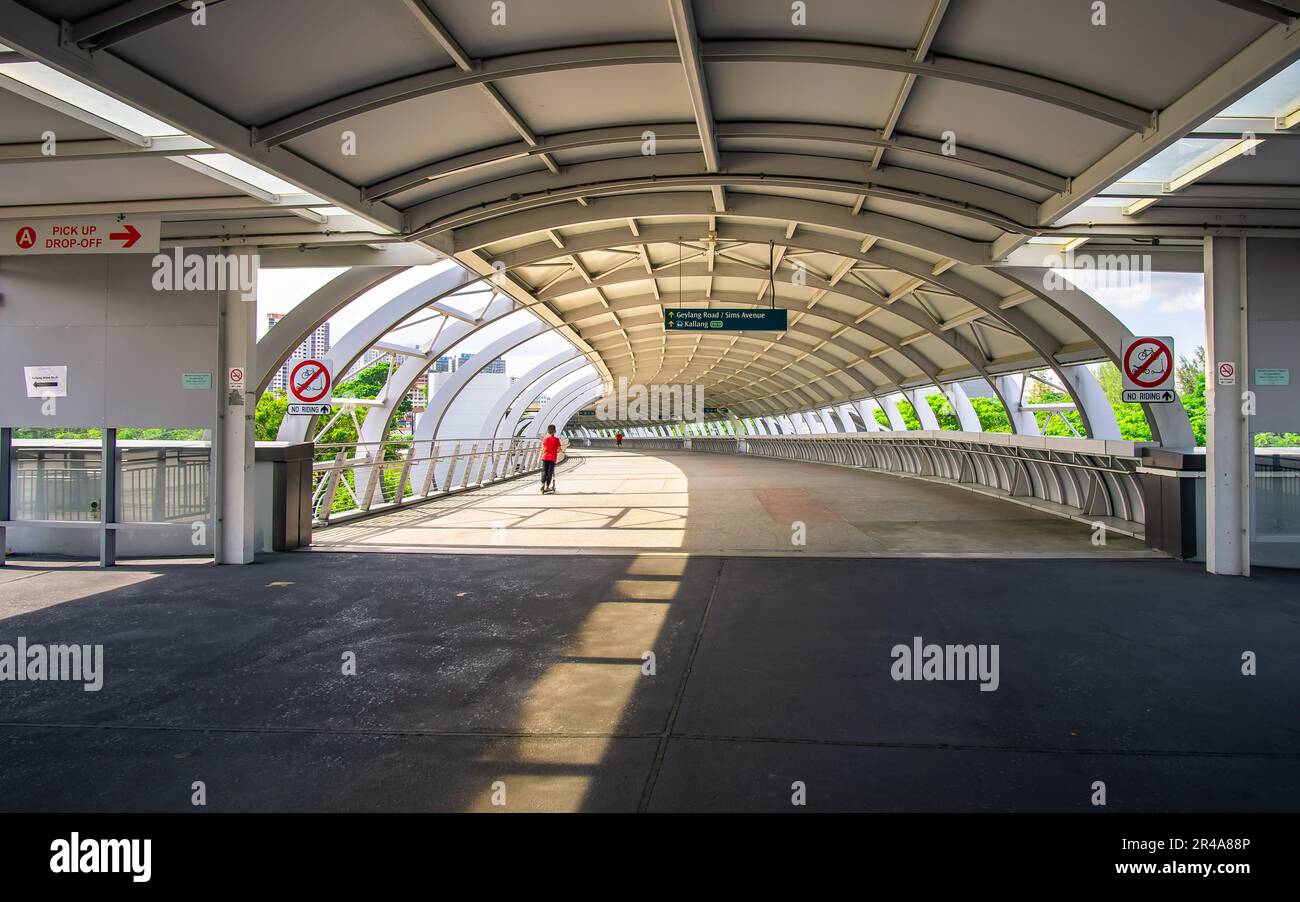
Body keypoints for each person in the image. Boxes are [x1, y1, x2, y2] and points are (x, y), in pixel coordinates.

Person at [540, 424, 562, 494]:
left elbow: (543, 449)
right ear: (554, 431)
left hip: (545, 457)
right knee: (550, 472)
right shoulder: (556, 439)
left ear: (548, 431)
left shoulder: (545, 439)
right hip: (552, 458)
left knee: (544, 471)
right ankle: (547, 486)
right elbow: (559, 450)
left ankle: (542, 484)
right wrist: (558, 451)